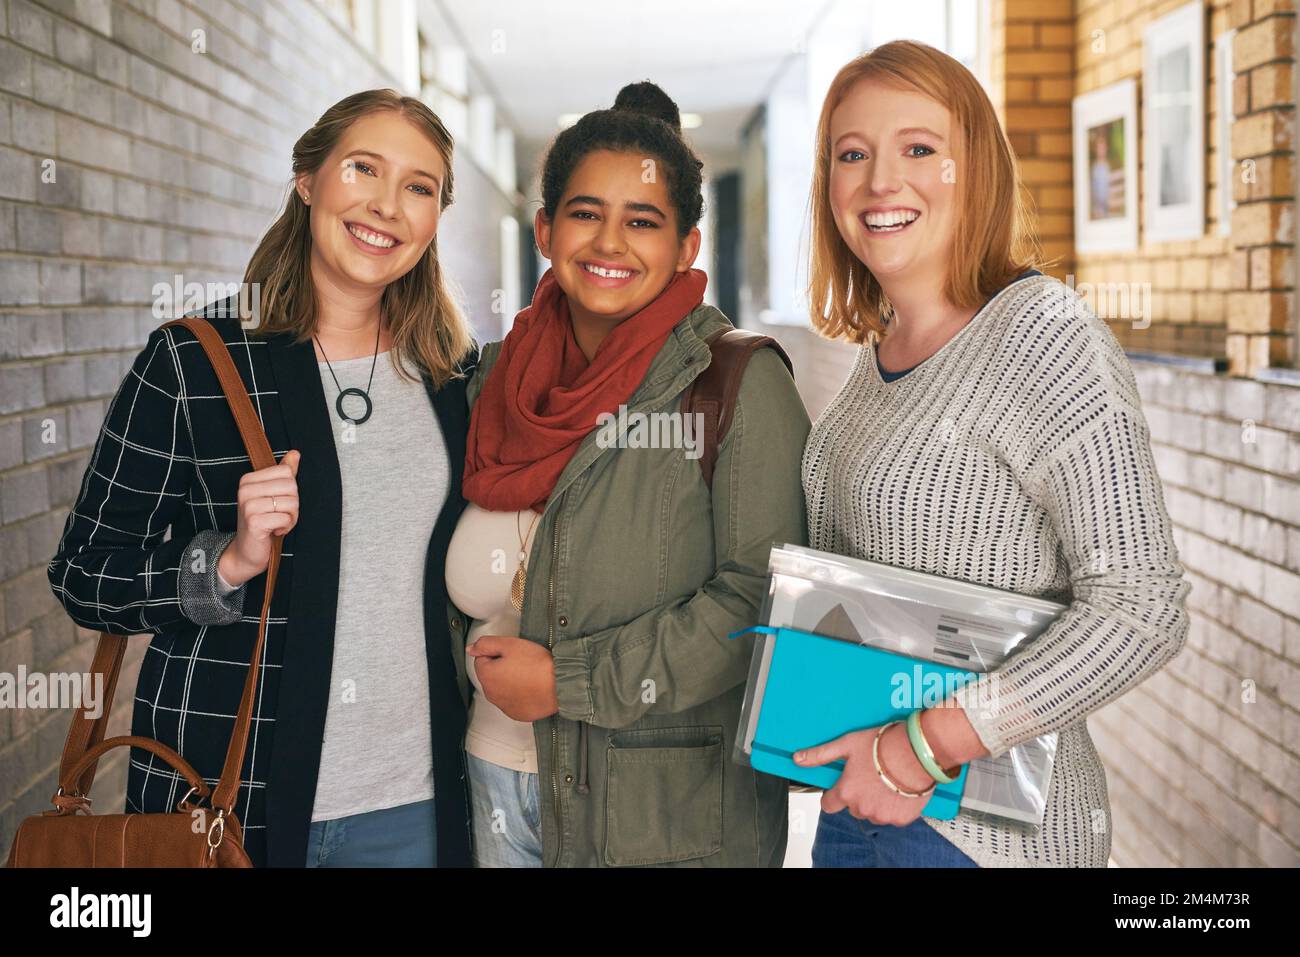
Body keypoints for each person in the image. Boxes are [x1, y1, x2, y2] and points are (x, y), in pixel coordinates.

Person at [47, 89, 477, 867]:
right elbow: (83, 577)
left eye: (420, 186)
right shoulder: (192, 363)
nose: (387, 204)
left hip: (412, 808)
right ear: (307, 178)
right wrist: (226, 561)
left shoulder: (456, 378)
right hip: (222, 805)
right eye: (363, 168)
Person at [795, 41, 1190, 867]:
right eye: (852, 154)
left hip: (989, 838)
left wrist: (923, 747)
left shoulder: (1043, 336)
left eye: (919, 149)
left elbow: (1143, 605)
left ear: (973, 171)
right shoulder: (879, 354)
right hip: (861, 804)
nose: (879, 182)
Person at [447, 81, 810, 867]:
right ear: (546, 229)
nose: (609, 243)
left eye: (642, 221)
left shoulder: (735, 384)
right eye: (585, 214)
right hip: (494, 777)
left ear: (686, 247)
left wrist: (568, 684)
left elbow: (758, 603)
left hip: (662, 819)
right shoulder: (494, 376)